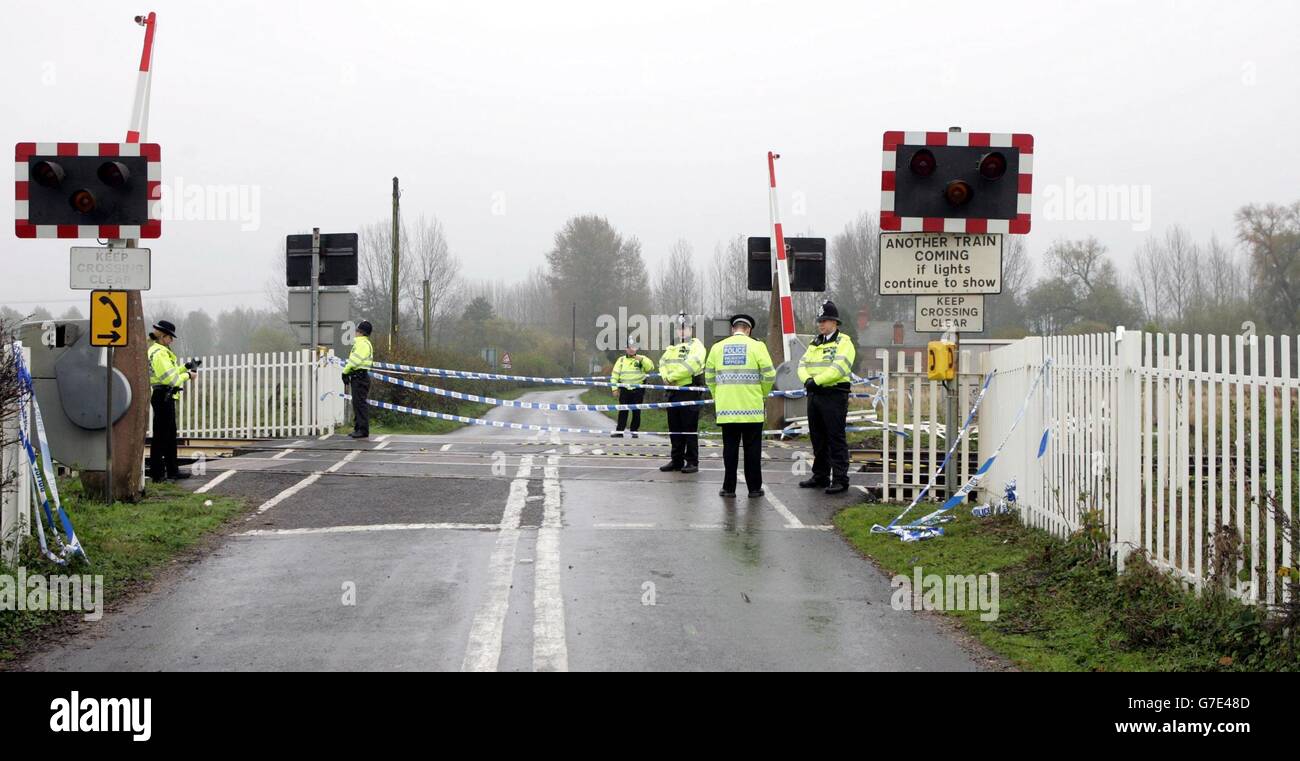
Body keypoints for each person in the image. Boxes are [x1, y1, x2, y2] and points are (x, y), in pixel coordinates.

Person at [704, 314, 775, 498]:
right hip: (752, 409)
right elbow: (769, 374)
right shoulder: (757, 346)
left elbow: (709, 377)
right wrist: (762, 394)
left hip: (727, 410)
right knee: (752, 451)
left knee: (730, 450)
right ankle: (754, 488)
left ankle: (729, 488)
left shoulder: (717, 348)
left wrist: (718, 396)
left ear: (732, 329)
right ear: (748, 330)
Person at [797, 300, 856, 494]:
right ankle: (820, 476)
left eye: (825, 320)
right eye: (820, 320)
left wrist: (817, 381)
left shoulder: (843, 342)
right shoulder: (815, 343)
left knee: (835, 437)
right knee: (818, 438)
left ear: (835, 322)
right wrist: (807, 381)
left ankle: (840, 479)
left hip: (834, 394)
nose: (821, 324)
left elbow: (839, 369)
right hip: (815, 394)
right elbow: (801, 364)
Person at [146, 320, 196, 482]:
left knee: (168, 436)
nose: (172, 340)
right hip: (164, 396)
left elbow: (170, 373)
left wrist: (185, 367)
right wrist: (188, 375)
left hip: (164, 396)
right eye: (170, 337)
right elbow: (170, 379)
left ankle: (171, 471)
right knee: (162, 437)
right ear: (163, 336)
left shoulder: (157, 350)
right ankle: (158, 474)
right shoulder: (160, 353)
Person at [658, 316, 707, 473]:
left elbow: (690, 365)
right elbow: (662, 363)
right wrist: (665, 377)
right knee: (675, 428)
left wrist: (671, 377)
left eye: (685, 328)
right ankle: (676, 460)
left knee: (689, 428)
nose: (682, 331)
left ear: (691, 330)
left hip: (689, 391)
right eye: (679, 329)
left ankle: (692, 462)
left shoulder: (697, 346)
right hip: (673, 392)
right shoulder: (672, 347)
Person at [610, 339, 654, 438]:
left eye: (633, 347)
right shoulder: (621, 360)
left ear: (636, 348)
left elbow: (650, 367)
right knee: (622, 411)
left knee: (636, 411)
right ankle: (619, 431)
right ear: (626, 348)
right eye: (629, 347)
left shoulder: (642, 359)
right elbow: (614, 375)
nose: (631, 349)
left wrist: (641, 360)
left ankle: (634, 431)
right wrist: (614, 388)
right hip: (624, 389)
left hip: (638, 389)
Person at [342, 320, 375, 439]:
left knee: (360, 404)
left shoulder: (361, 344)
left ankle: (362, 430)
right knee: (357, 403)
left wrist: (345, 371)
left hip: (359, 377)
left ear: (361, 332)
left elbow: (355, 361)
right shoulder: (363, 343)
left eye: (357, 330)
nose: (355, 332)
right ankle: (358, 428)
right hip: (359, 376)